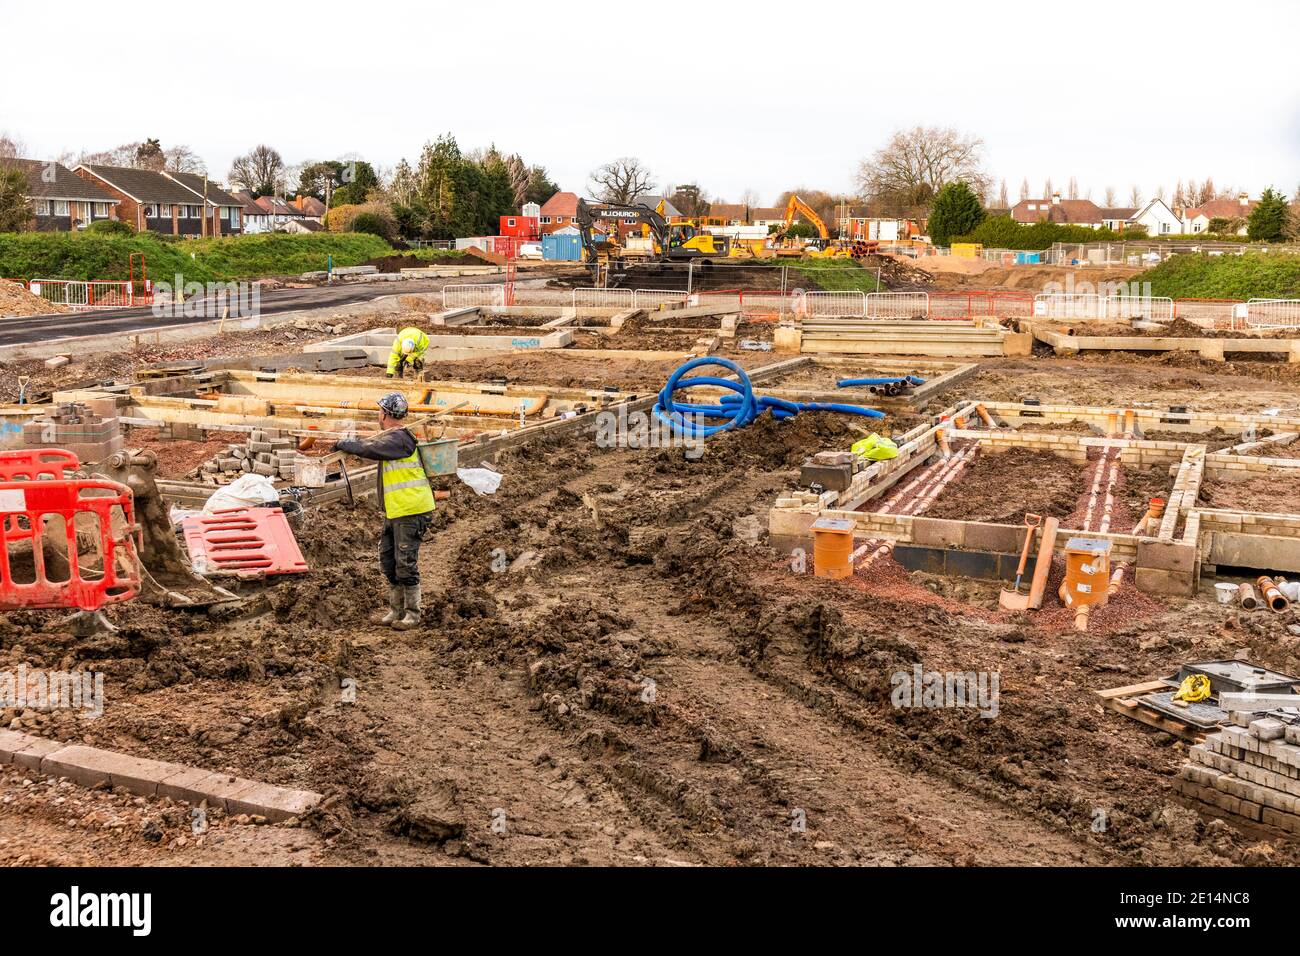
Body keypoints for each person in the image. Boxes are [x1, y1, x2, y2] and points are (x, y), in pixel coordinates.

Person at [333, 392, 434, 630]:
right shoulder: (392, 438)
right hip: (396, 509)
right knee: (389, 560)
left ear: (385, 414)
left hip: (411, 509)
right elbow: (375, 446)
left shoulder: (400, 440)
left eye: (379, 411)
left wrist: (344, 444)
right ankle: (395, 610)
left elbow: (371, 448)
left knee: (405, 562)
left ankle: (412, 613)